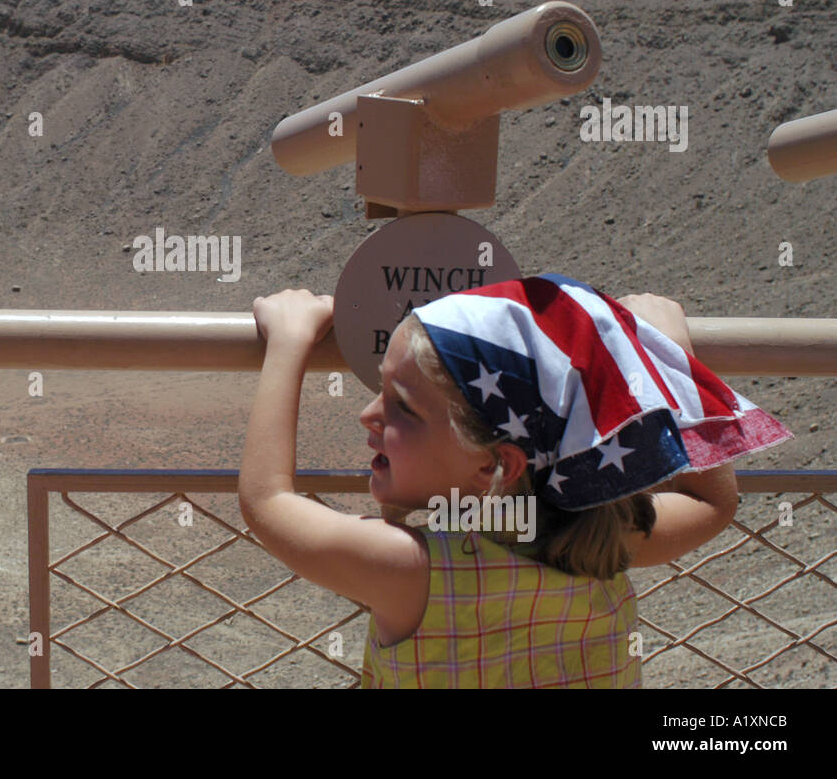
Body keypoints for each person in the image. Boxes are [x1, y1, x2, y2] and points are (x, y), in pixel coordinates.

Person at [239, 272, 793, 688]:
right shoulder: (605, 539)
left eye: (401, 406)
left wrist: (289, 342)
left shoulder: (409, 569)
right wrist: (665, 351)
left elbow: (266, 499)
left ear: (494, 467)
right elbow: (710, 499)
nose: (368, 414)